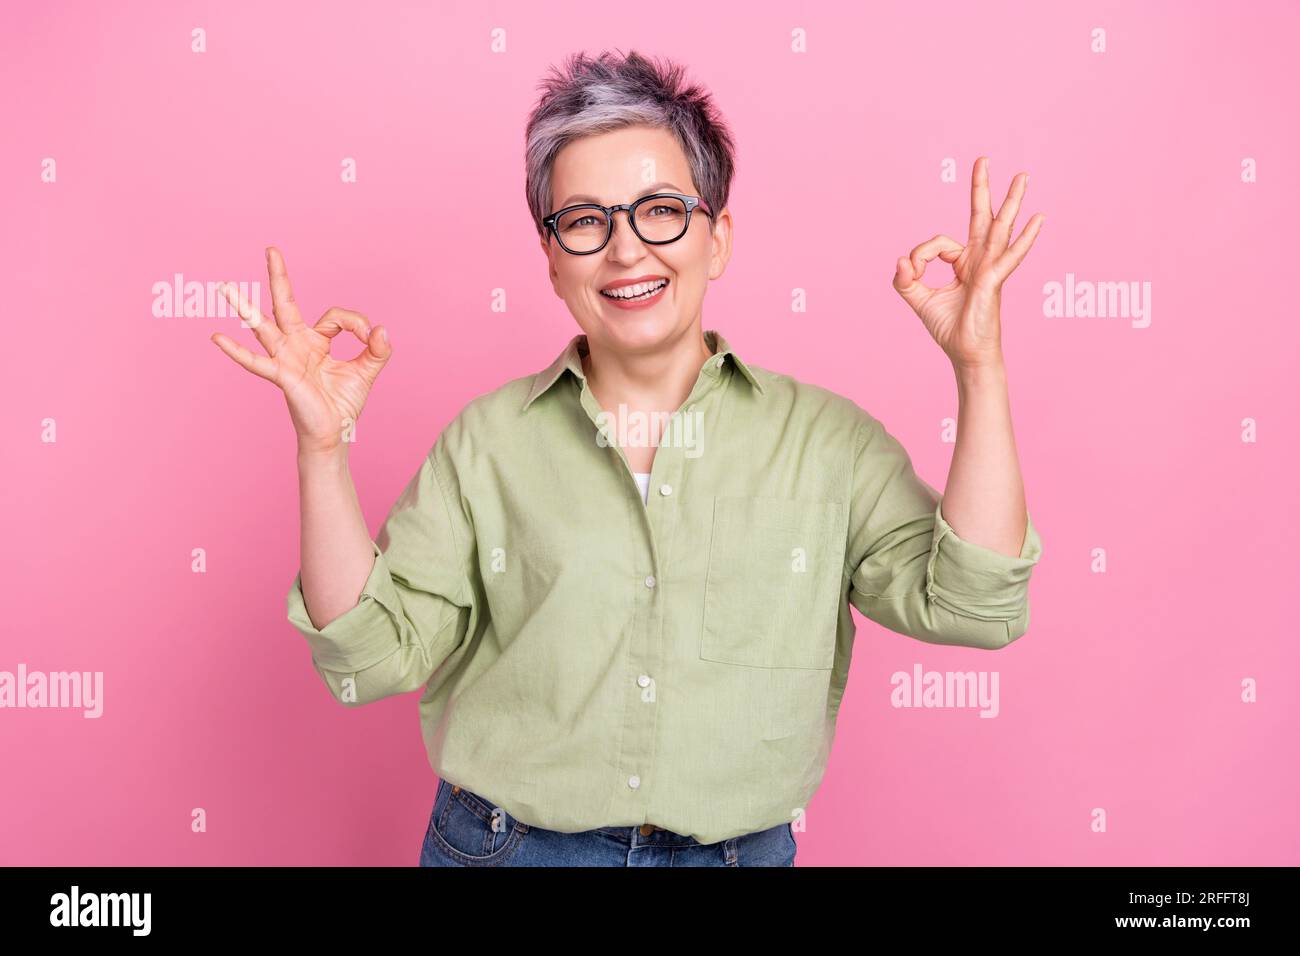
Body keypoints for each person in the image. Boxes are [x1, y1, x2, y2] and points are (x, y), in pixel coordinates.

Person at [210, 49, 1045, 867]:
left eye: (660, 210)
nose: (626, 250)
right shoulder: (487, 442)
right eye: (585, 221)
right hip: (506, 852)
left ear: (715, 238)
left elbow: (974, 606)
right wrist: (323, 447)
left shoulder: (830, 443)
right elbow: (372, 657)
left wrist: (980, 367)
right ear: (550, 259)